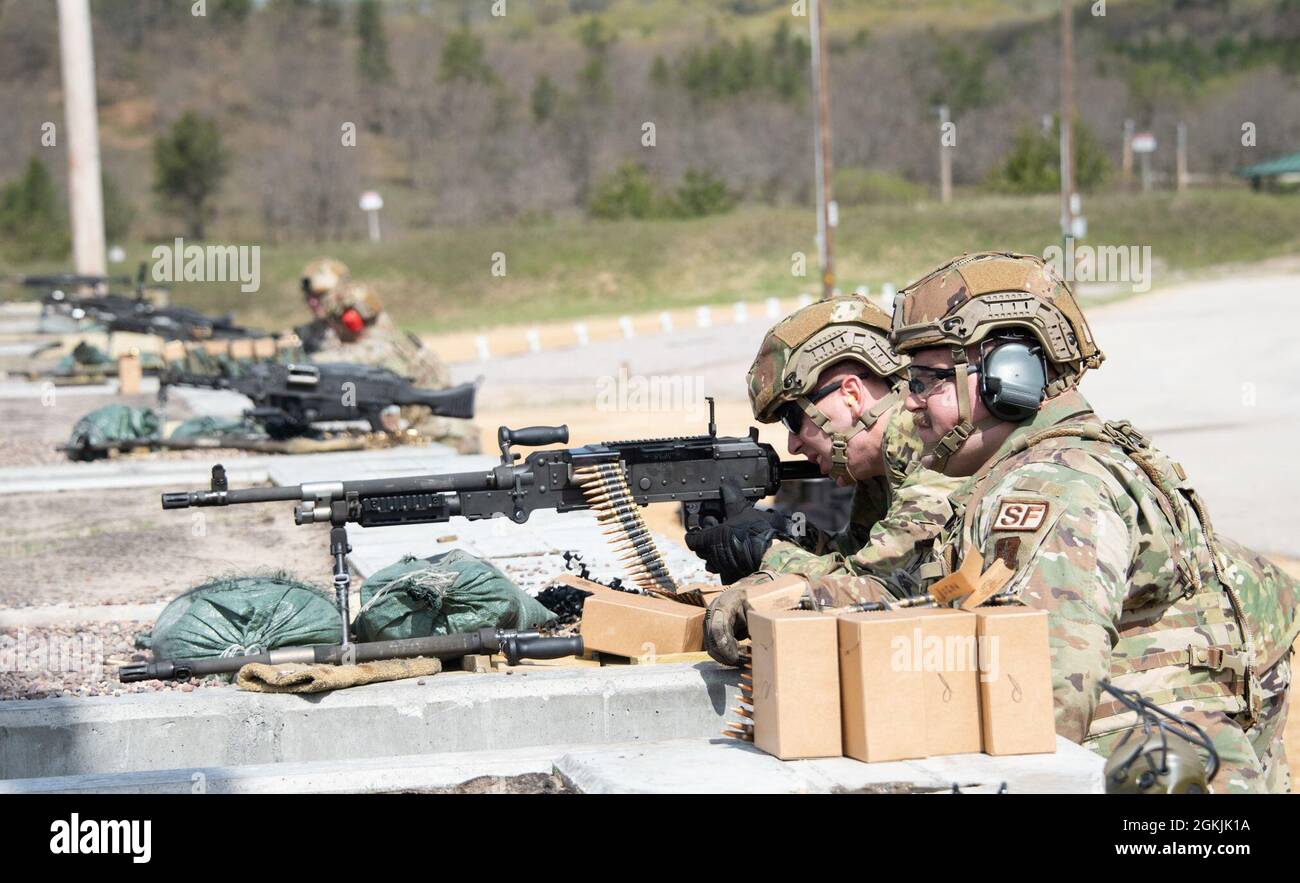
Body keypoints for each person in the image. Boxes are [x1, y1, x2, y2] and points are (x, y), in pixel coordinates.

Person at [891, 250, 1297, 793]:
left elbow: (1041, 698)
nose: (910, 403)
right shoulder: (1052, 465)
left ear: (1007, 376)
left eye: (926, 380)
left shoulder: (1055, 486)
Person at [686, 295, 962, 665]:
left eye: (793, 419)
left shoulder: (924, 446)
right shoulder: (881, 466)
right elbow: (858, 556)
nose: (793, 443)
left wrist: (769, 552)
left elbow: (890, 587)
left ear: (850, 395)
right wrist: (791, 535)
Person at [313, 280, 479, 453]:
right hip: (457, 432)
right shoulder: (396, 339)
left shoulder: (376, 350)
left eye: (333, 322)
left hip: (441, 438)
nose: (332, 329)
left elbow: (329, 363)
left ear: (350, 320)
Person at [295, 258, 350, 354]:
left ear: (343, 292)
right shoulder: (314, 330)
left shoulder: (363, 327)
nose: (312, 302)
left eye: (320, 295)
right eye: (309, 295)